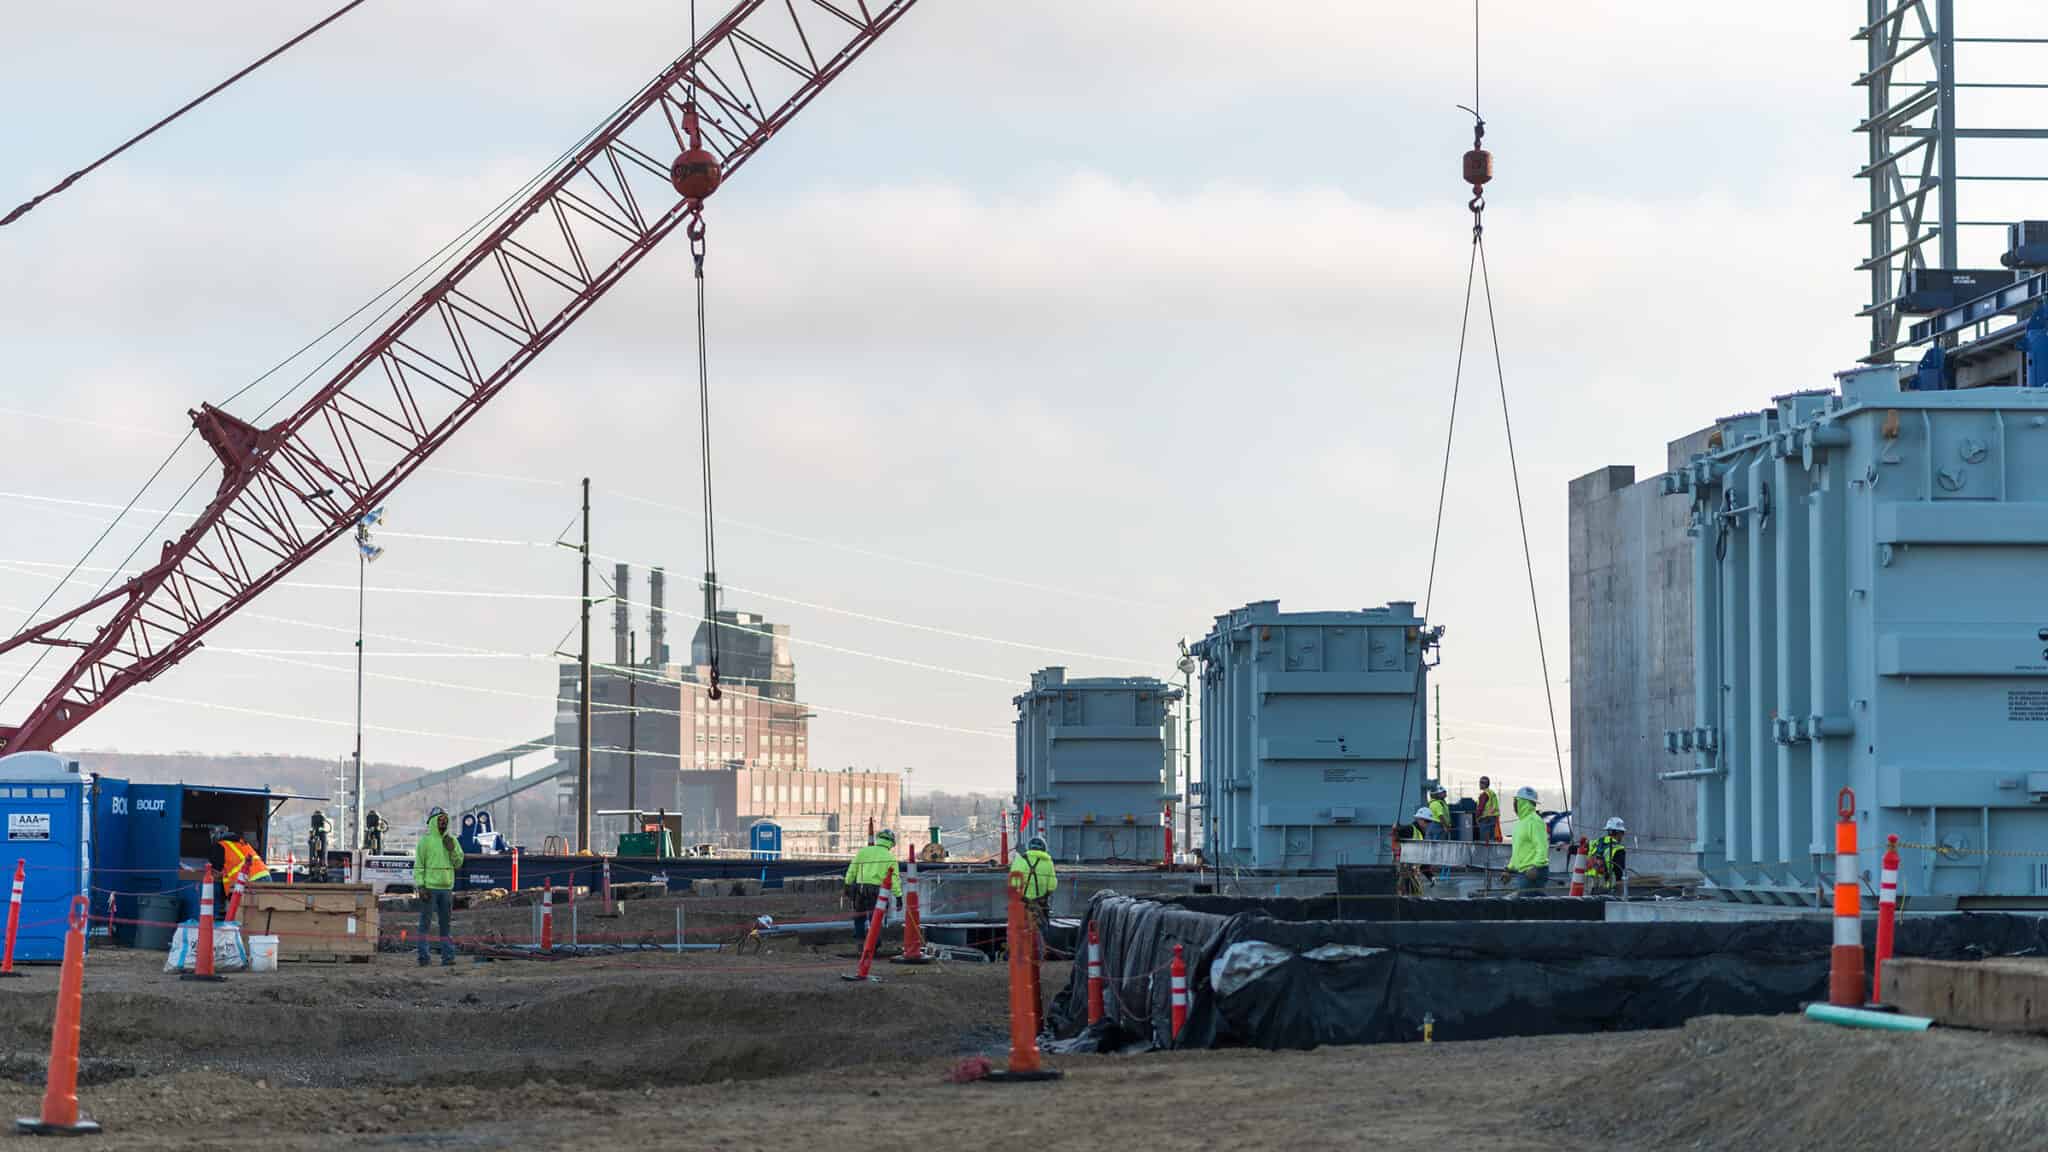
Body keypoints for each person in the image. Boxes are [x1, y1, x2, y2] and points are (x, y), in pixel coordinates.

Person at [413, 806, 463, 968]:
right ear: (433, 822)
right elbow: (419, 866)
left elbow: (458, 863)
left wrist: (453, 850)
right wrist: (421, 886)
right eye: (440, 820)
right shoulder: (425, 842)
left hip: (446, 889)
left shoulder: (451, 841)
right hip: (430, 888)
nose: (443, 823)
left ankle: (448, 957)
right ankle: (423, 957)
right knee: (425, 924)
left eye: (445, 820)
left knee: (445, 925)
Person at [842, 828, 903, 940]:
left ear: (878, 839)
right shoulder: (890, 858)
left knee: (859, 917)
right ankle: (874, 944)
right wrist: (898, 897)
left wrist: (847, 884)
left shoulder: (863, 852)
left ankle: (860, 941)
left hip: (860, 889)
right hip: (878, 891)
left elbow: (852, 870)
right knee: (876, 918)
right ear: (891, 843)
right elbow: (894, 879)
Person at [1009, 835, 1058, 943]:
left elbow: (1014, 883)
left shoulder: (1019, 860)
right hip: (1040, 903)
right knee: (1044, 926)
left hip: (1023, 902)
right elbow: (1052, 885)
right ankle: (1044, 945)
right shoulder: (1048, 862)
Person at [1507, 786, 1550, 893]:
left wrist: (1535, 867)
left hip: (1533, 872)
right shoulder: (1519, 823)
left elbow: (1542, 847)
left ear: (1523, 802)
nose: (1514, 804)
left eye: (1516, 801)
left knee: (1529, 904)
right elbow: (1517, 851)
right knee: (1528, 905)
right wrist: (1508, 869)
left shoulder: (1534, 821)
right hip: (1524, 872)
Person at [1587, 817, 1628, 892]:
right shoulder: (1618, 849)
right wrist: (1623, 899)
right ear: (1619, 833)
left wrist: (1563, 846)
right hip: (1607, 892)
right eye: (1623, 833)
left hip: (1591, 890)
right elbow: (1619, 879)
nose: (1623, 836)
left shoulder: (1595, 843)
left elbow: (1578, 848)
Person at [1474, 776, 1501, 843]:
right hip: (1493, 818)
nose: (1479, 784)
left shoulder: (1484, 794)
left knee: (1485, 841)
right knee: (1491, 840)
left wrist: (1476, 818)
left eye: (1481, 782)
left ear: (1485, 784)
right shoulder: (1492, 792)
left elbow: (1480, 808)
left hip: (1486, 819)